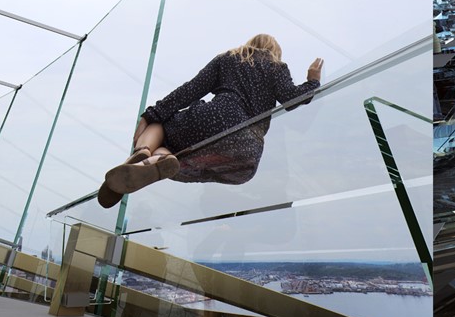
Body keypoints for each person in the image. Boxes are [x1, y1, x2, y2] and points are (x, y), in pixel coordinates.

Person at [97, 34, 324, 208]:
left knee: (163, 126)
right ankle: (154, 162)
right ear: (275, 51)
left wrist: (151, 114)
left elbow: (191, 89)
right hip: (246, 150)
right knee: (177, 159)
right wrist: (312, 81)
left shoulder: (228, 59)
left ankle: (144, 152)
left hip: (213, 120)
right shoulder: (276, 66)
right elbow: (292, 99)